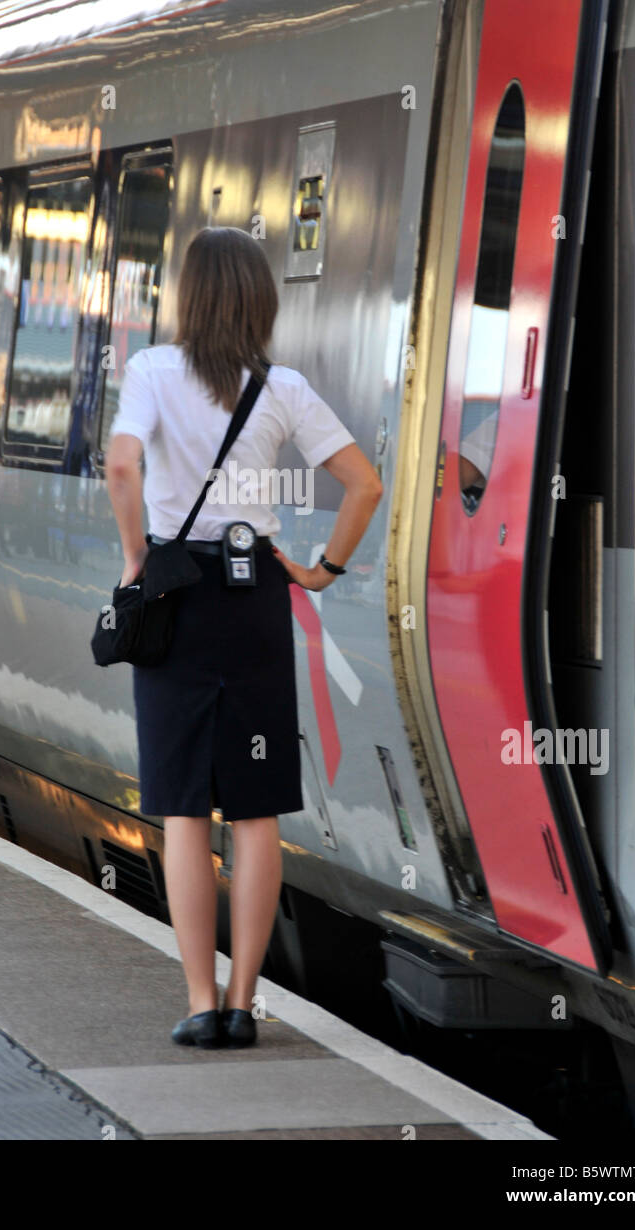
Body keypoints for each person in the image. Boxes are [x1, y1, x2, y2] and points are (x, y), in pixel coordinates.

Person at [104, 226, 382, 1050]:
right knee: (256, 812)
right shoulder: (284, 388)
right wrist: (324, 570)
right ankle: (243, 998)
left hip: (174, 597)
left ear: (189, 296)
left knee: (184, 809)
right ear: (260, 301)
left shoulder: (152, 371)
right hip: (253, 595)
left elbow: (122, 466)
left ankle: (198, 1000)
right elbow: (364, 484)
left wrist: (133, 560)